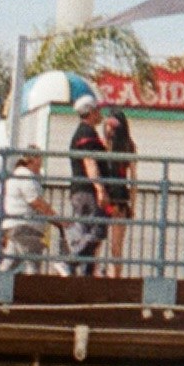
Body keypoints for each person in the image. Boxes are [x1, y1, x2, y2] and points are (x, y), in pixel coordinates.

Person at [0, 149, 63, 270]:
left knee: (9, 264)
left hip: (15, 227)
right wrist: (60, 221)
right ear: (33, 160)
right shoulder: (26, 176)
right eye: (40, 160)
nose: (41, 164)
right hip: (24, 227)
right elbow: (36, 203)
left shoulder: (20, 176)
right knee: (32, 264)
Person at [90, 99, 138, 269]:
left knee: (101, 244)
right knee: (113, 247)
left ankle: (97, 277)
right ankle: (111, 278)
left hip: (108, 197)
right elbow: (133, 179)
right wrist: (132, 204)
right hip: (117, 197)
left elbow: (133, 179)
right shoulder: (127, 146)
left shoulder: (106, 145)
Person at [67, 93, 111, 272]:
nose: (100, 113)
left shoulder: (85, 133)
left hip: (82, 190)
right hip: (87, 191)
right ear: (91, 112)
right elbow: (89, 161)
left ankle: (85, 276)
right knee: (98, 229)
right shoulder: (86, 133)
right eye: (98, 109)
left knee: (85, 233)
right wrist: (100, 188)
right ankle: (70, 261)